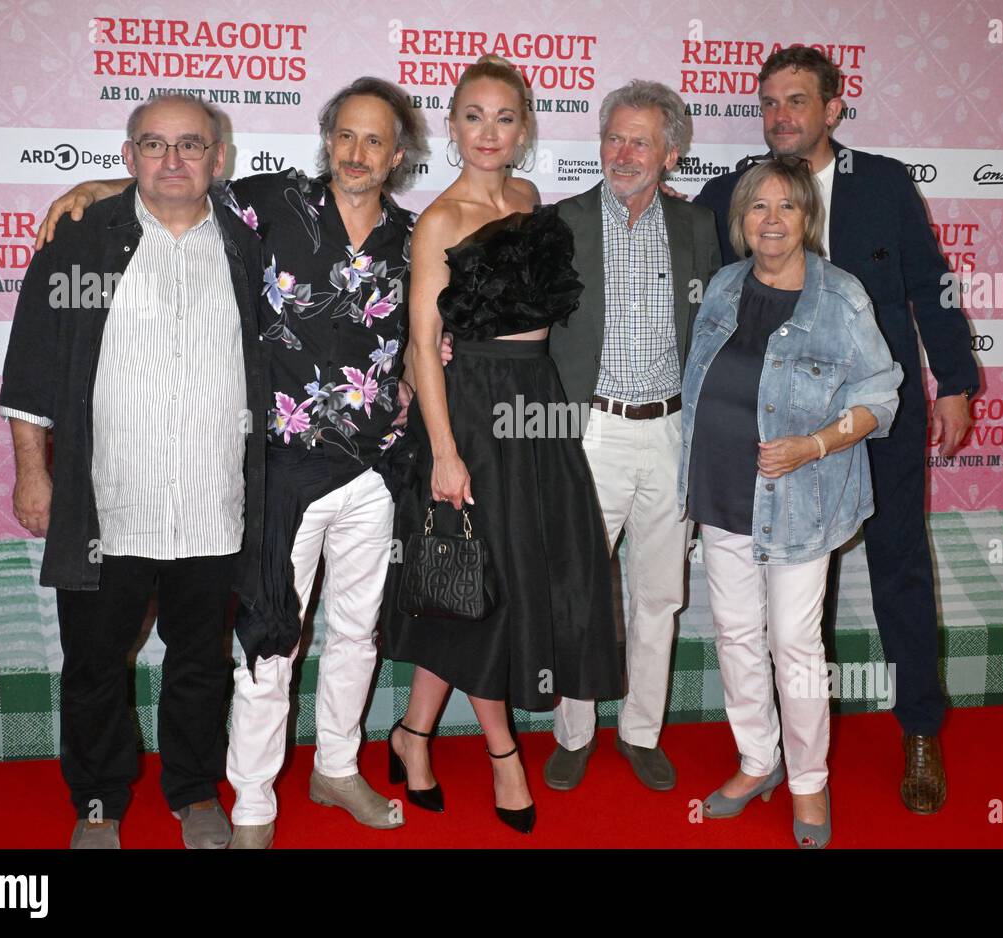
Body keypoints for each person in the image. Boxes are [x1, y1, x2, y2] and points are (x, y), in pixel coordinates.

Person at [35, 78, 428, 849]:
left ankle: (336, 766)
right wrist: (96, 185)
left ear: (399, 153)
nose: (356, 153)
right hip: (280, 471)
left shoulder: (414, 236)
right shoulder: (270, 205)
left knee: (355, 633)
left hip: (376, 467)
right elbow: (179, 182)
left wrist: (417, 373)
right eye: (344, 135)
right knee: (269, 637)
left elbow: (426, 327)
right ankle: (249, 801)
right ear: (327, 140)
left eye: (374, 140)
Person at [693, 47, 979, 814]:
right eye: (769, 103)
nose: (781, 115)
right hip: (768, 439)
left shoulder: (882, 182)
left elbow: (931, 285)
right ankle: (772, 755)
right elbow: (686, 284)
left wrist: (954, 382)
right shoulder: (732, 192)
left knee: (901, 571)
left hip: (873, 422)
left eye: (796, 100)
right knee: (784, 608)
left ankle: (920, 730)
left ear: (832, 108)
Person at [0, 94, 268, 849]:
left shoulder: (252, 245)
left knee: (200, 662)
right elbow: (28, 374)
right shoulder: (80, 240)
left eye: (191, 146)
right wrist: (32, 474)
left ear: (219, 158)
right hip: (106, 502)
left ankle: (193, 791)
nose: (173, 161)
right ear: (127, 157)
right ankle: (98, 801)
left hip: (216, 503)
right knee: (92, 663)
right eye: (154, 145)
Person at [380, 54, 622, 834]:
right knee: (489, 581)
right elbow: (423, 345)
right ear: (451, 127)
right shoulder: (438, 221)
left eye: (505, 117)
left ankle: (412, 735)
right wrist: (446, 453)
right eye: (473, 117)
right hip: (473, 415)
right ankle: (503, 754)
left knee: (489, 580)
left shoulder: (527, 198)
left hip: (538, 407)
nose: (489, 132)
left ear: (525, 128)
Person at [681, 156, 901, 847]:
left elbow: (879, 396)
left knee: (795, 646)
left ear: (809, 216)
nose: (771, 221)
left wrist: (812, 445)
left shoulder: (841, 298)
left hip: (801, 501)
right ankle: (757, 761)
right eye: (757, 207)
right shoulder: (722, 284)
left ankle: (809, 783)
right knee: (738, 637)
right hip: (719, 489)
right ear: (741, 220)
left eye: (787, 207)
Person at [544, 81, 721, 792]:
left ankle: (641, 730)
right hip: (592, 432)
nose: (622, 153)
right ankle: (575, 732)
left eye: (639, 141)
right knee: (579, 592)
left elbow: (715, 334)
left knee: (660, 594)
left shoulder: (698, 229)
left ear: (670, 152)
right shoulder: (561, 223)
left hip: (672, 430)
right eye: (613, 138)